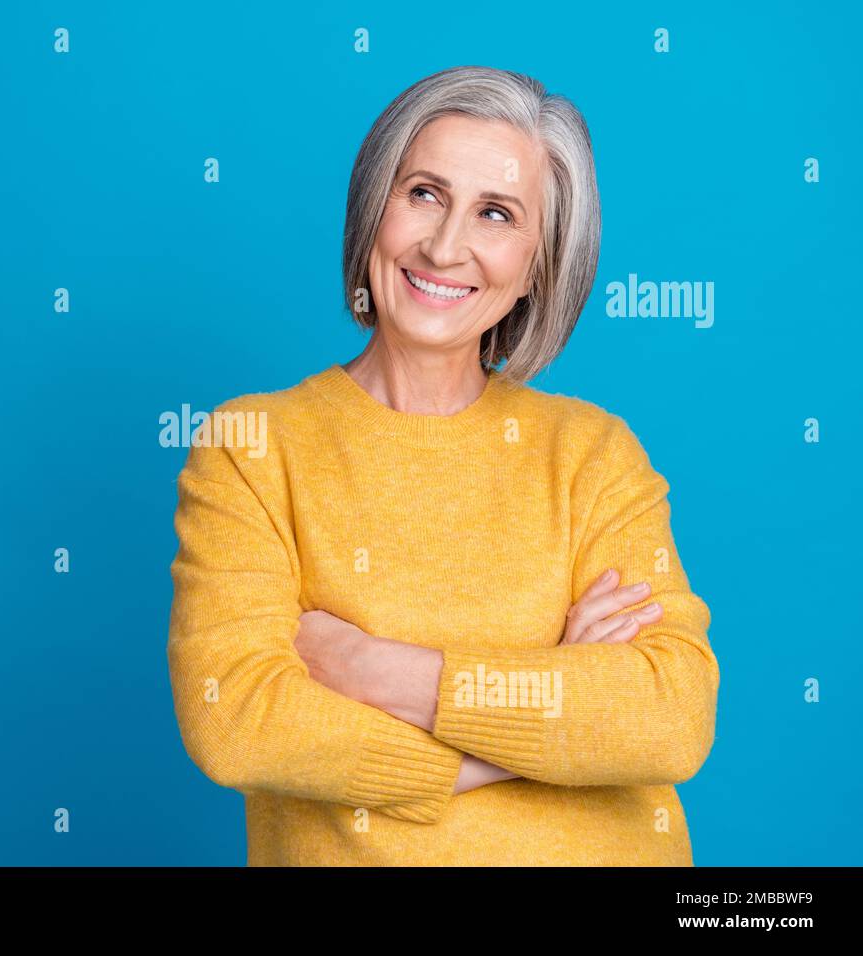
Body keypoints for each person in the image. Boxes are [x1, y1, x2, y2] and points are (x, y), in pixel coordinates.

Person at [166, 65, 719, 866]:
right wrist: (532, 720)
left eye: (496, 214)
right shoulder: (254, 445)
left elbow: (669, 717)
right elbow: (239, 721)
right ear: (373, 211)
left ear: (538, 265)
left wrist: (372, 667)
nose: (446, 245)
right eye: (423, 193)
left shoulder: (593, 453)